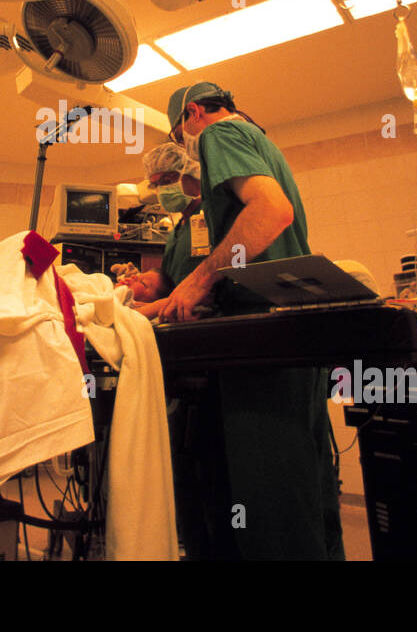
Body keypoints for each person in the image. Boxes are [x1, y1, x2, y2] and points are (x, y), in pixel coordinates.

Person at [154, 81, 343, 561]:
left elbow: (271, 211)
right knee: (304, 491)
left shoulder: (218, 135)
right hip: (287, 337)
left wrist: (200, 281)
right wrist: (196, 294)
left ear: (193, 113)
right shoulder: (259, 139)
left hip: (265, 346)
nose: (185, 152)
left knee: (271, 503)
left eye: (180, 139)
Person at [116, 144, 207, 319]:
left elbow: (238, 260)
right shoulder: (175, 234)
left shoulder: (211, 215)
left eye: (167, 181)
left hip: (209, 316)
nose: (162, 190)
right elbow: (167, 287)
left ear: (191, 173)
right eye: (156, 185)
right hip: (177, 314)